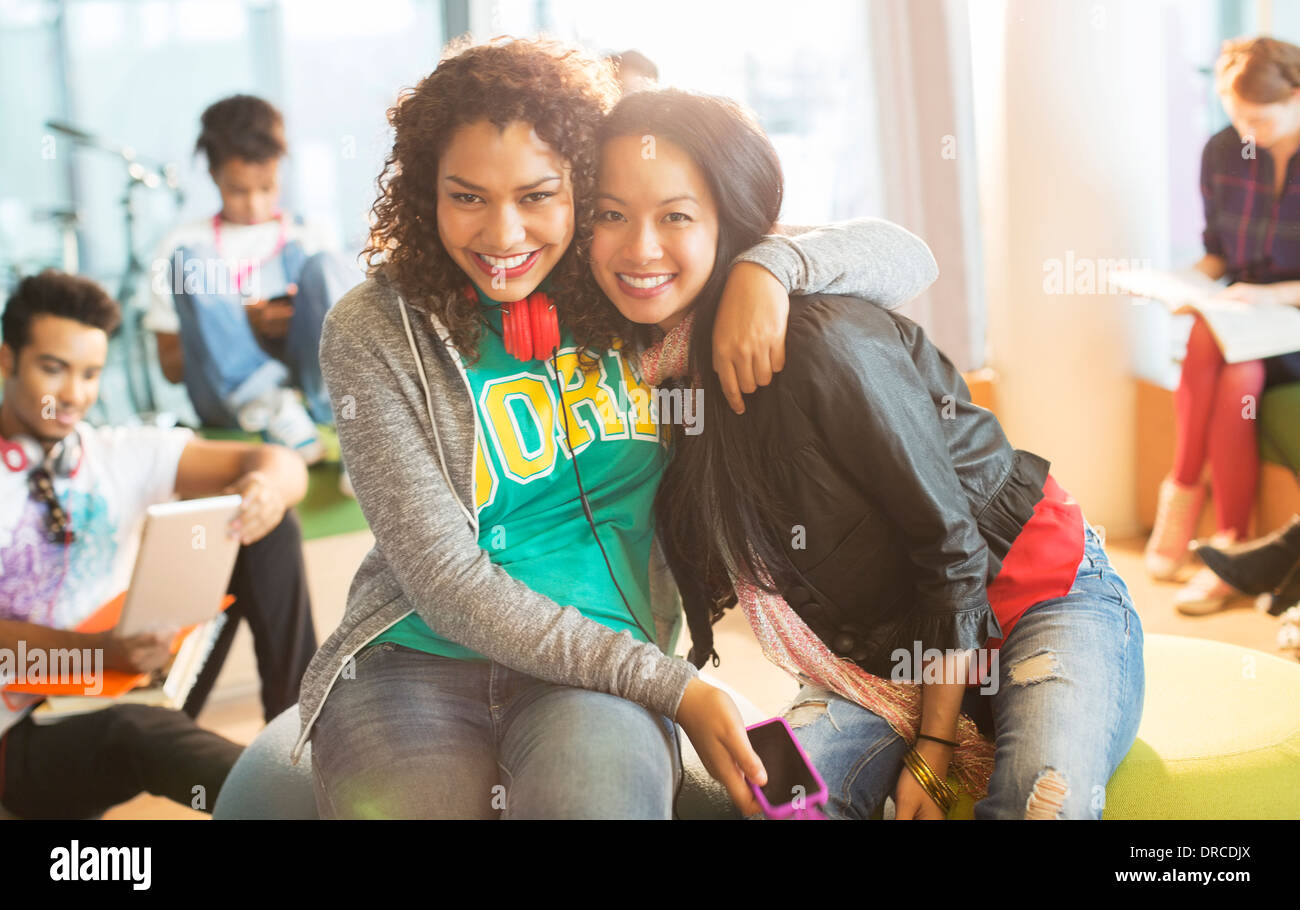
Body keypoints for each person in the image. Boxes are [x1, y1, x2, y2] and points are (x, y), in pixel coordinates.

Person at [297, 38, 939, 819]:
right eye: (468, 197)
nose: (503, 238)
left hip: (603, 670)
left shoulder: (631, 279)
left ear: (582, 184)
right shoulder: (374, 330)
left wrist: (769, 271)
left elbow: (905, 254)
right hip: (412, 661)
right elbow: (448, 586)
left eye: (537, 196)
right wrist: (680, 689)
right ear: (425, 194)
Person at [587, 88, 1145, 819]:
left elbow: (951, 551)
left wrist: (934, 752)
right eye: (609, 213)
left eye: (676, 216)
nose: (639, 248)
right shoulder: (643, 372)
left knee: (1042, 803)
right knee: (776, 801)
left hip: (1038, 595)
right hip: (869, 663)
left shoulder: (818, 342)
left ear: (728, 223)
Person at [0, 270, 317, 818]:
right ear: (7, 360)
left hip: (131, 680)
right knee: (136, 728)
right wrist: (101, 655)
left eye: (90, 373)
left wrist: (264, 489)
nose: (74, 395)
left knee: (268, 530)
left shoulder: (118, 452)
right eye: (53, 369)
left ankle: (300, 744)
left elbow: (281, 465)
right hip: (24, 740)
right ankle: (300, 803)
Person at [1145, 37, 1300, 614]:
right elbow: (1217, 254)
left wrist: (1266, 294)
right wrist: (1179, 283)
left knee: (1214, 340)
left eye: (1259, 119)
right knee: (1231, 368)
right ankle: (1231, 546)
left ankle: (1182, 495)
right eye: (1236, 118)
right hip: (1243, 325)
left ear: (1296, 95)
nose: (1247, 133)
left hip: (1292, 322)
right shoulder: (1222, 151)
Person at [143, 94, 360, 465]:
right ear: (214, 176)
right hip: (233, 404)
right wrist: (238, 325)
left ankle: (343, 414)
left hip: (312, 392)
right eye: (238, 190)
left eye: (266, 187)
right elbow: (172, 369)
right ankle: (268, 402)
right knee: (193, 261)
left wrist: (291, 325)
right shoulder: (181, 245)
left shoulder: (309, 233)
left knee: (324, 263)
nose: (255, 205)